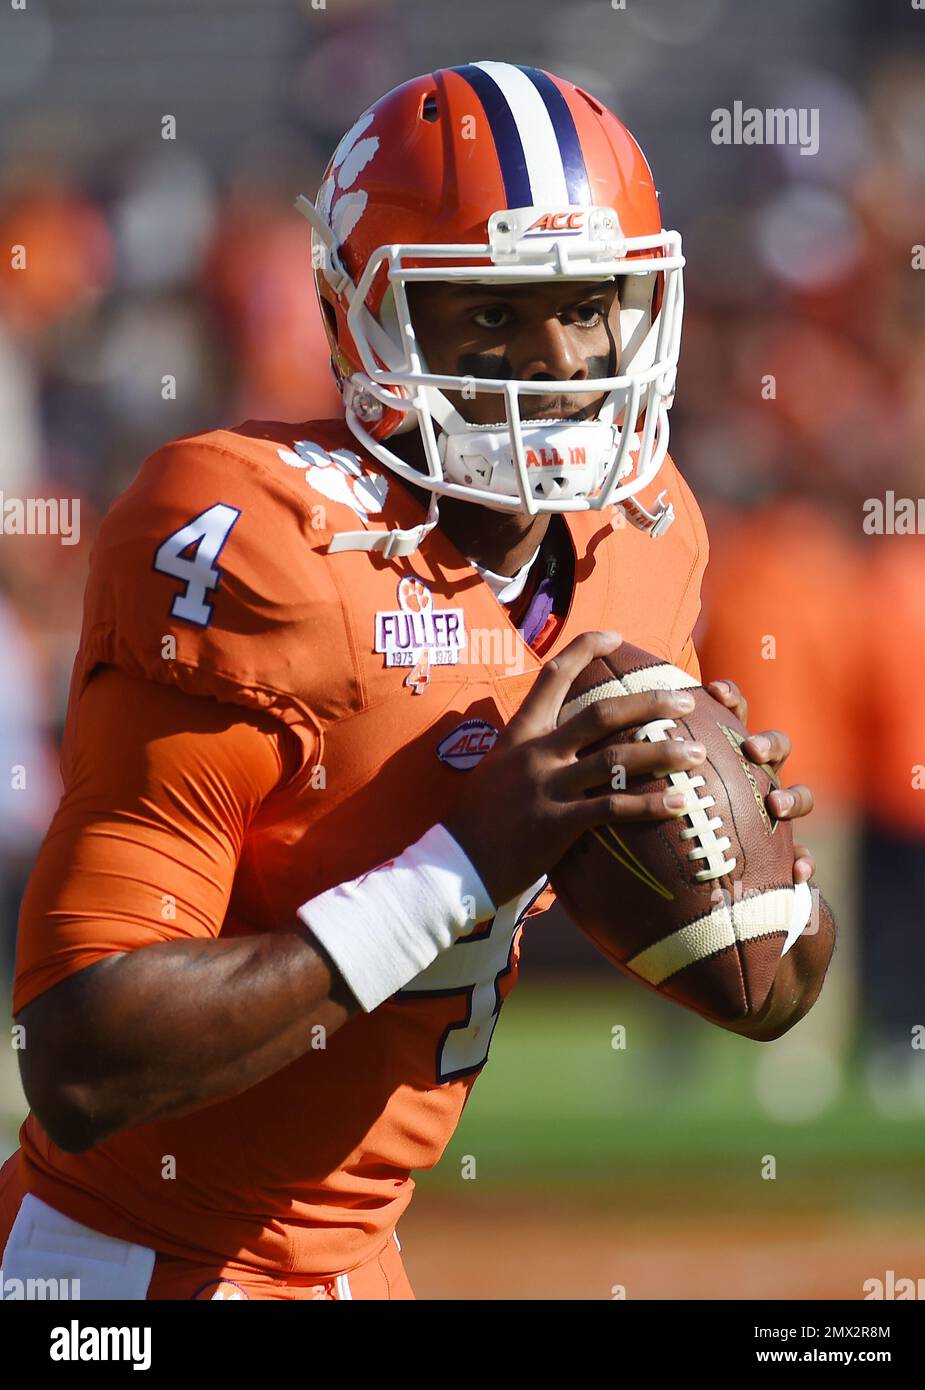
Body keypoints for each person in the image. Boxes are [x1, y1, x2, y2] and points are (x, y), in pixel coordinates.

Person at [0, 62, 830, 1300]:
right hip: (133, 1271)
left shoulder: (647, 537)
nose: (555, 358)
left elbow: (769, 995)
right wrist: (460, 864)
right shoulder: (251, 535)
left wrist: (734, 861)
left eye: (589, 304)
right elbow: (78, 1059)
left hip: (360, 1265)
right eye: (491, 313)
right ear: (366, 323)